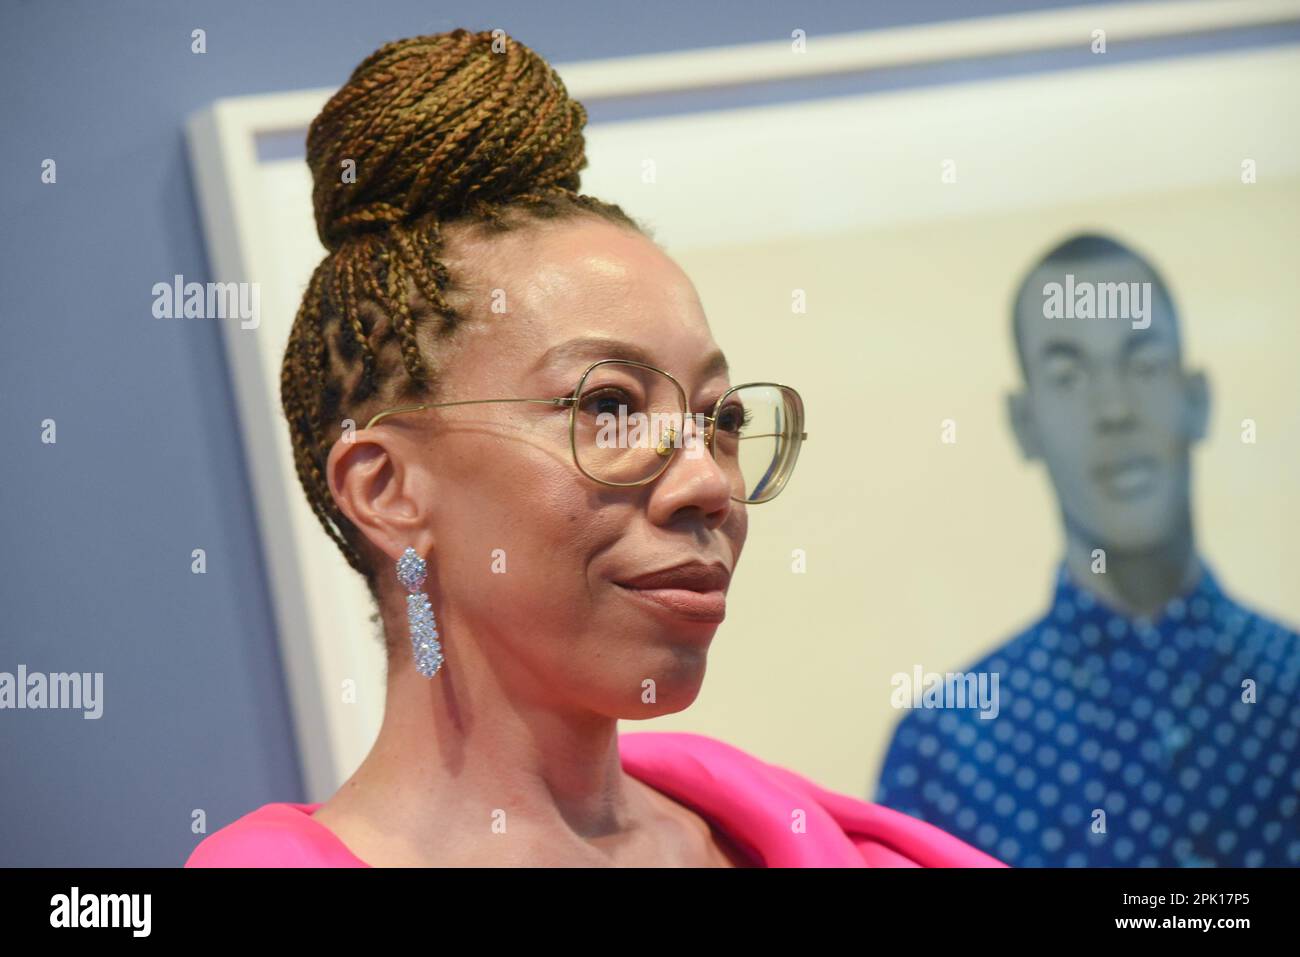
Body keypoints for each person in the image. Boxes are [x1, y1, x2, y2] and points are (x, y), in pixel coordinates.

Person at [186, 28, 1002, 868]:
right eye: (607, 405)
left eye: (721, 422)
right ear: (385, 487)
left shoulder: (838, 847)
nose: (706, 485)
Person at [875, 233, 1300, 867]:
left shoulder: (1289, 689)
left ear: (1198, 400)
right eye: (1069, 377)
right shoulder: (946, 753)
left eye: (1144, 362)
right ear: (1025, 423)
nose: (1114, 409)